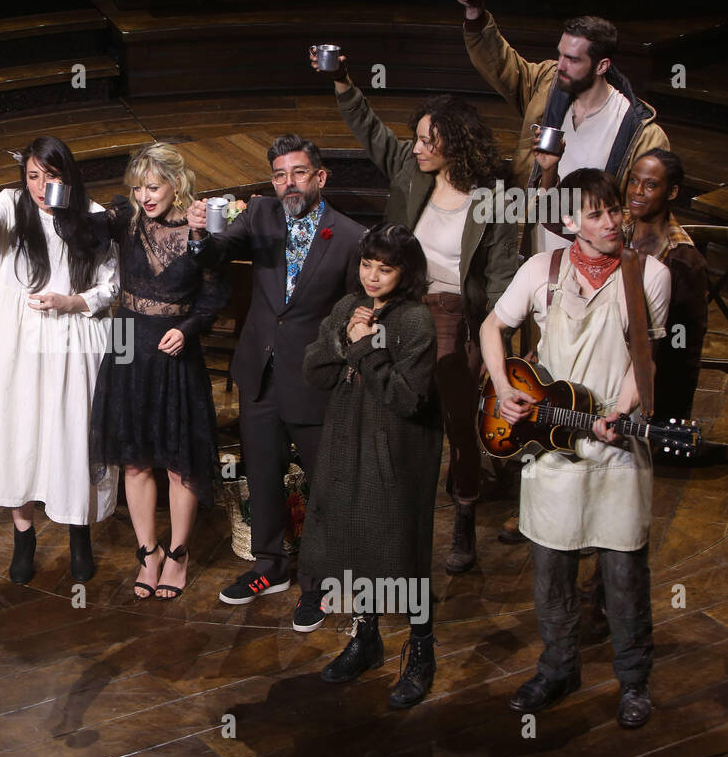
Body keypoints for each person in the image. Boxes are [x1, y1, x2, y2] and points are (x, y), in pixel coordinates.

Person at [479, 168, 670, 728]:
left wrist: (620, 413)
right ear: (568, 220)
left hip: (615, 446)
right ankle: (559, 668)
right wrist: (504, 386)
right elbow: (492, 327)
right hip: (551, 447)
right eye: (595, 213)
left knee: (624, 575)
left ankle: (634, 681)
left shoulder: (648, 274)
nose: (612, 221)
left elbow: (645, 358)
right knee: (551, 573)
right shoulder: (541, 270)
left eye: (615, 209)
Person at [316, 50, 518, 573]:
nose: (420, 147)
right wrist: (342, 80)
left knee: (454, 415)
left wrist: (496, 332)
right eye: (419, 138)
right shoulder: (411, 171)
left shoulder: (493, 195)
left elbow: (498, 272)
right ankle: (388, 511)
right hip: (403, 302)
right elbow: (371, 132)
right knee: (385, 402)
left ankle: (465, 513)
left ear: (458, 142)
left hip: (455, 312)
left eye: (431, 140)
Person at [186, 135, 365, 622]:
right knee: (261, 475)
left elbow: (359, 309)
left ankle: (319, 581)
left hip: (313, 381)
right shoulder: (261, 214)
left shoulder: (349, 236)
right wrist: (200, 234)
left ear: (320, 177)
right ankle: (270, 565)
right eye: (280, 174)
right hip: (259, 374)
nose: (289, 182)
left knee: (324, 487)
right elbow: (215, 254)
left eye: (299, 173)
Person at [0, 136, 118, 584]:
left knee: (72, 433)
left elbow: (112, 286)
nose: (41, 186)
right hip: (18, 339)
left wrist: (72, 302)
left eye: (50, 176)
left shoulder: (94, 217)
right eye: (32, 176)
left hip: (74, 335)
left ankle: (78, 533)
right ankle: (23, 536)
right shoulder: (11, 204)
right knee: (21, 433)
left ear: (68, 175)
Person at [298, 223, 442, 707]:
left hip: (396, 450)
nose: (373, 276)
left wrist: (364, 349)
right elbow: (313, 369)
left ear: (406, 272)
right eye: (367, 265)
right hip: (347, 440)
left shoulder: (416, 321)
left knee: (402, 550)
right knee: (353, 543)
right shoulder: (348, 307)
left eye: (386, 268)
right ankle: (367, 638)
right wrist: (346, 339)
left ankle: (422, 651)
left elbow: (406, 399)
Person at [90, 143, 228, 601]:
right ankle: (147, 551)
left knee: (177, 459)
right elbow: (79, 230)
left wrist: (188, 330)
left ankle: (179, 553)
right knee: (133, 455)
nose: (145, 196)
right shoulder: (125, 221)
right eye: (138, 187)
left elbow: (213, 299)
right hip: (127, 337)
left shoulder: (197, 229)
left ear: (176, 183)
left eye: (153, 186)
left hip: (173, 345)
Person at [453, 0, 668, 254]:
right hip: (534, 251)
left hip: (592, 261)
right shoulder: (548, 85)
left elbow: (639, 218)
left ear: (602, 66)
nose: (561, 65)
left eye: (573, 59)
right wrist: (475, 12)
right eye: (560, 54)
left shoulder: (640, 133)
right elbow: (502, 66)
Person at [624, 149, 707, 423]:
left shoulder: (682, 258)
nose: (637, 191)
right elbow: (556, 220)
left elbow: (685, 338)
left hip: (653, 367)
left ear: (671, 193)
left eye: (650, 185)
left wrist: (675, 412)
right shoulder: (615, 225)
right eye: (633, 181)